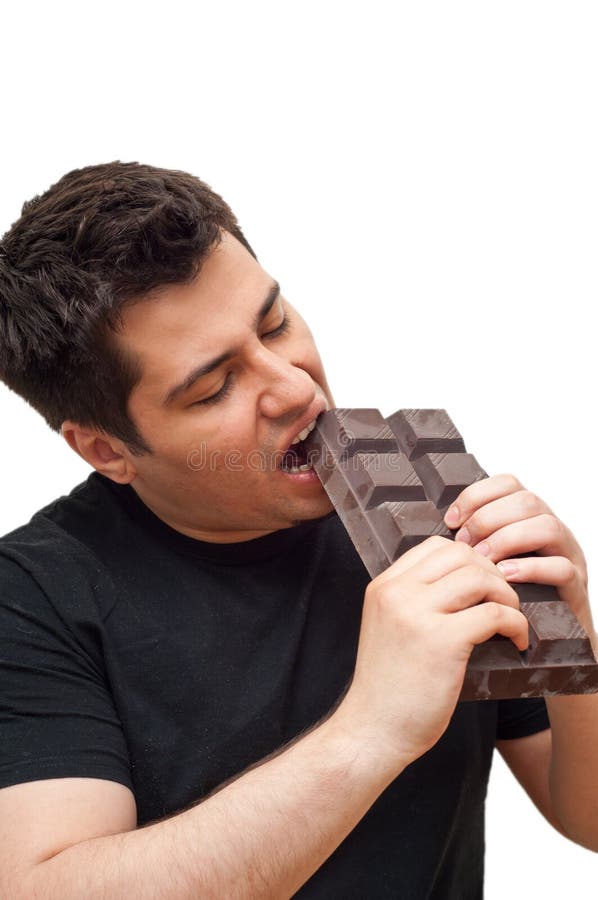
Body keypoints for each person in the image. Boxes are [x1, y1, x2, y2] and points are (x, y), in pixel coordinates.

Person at [0, 161, 596, 899]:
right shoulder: (32, 600)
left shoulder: (432, 510)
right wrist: (371, 730)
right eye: (215, 386)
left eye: (275, 323)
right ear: (107, 449)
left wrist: (577, 653)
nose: (296, 386)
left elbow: (590, 820)